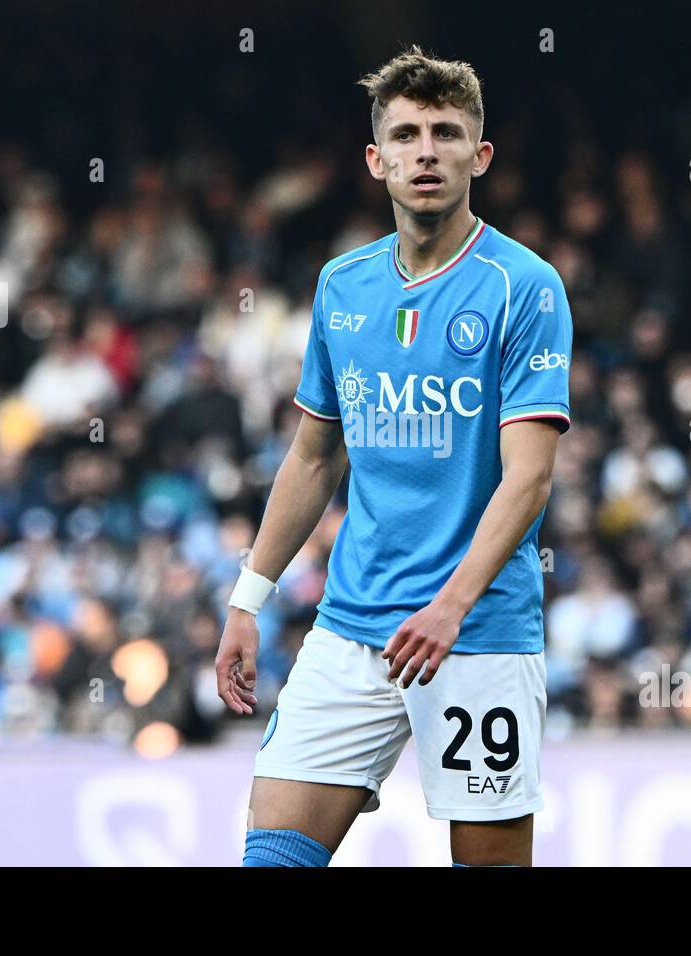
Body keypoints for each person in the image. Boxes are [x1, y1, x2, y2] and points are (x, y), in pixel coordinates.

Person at [215, 45, 572, 867]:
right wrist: (247, 600)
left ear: (479, 156)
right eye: (406, 135)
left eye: (446, 134)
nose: (426, 151)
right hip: (352, 626)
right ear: (376, 161)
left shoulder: (525, 286)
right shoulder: (343, 284)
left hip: (477, 635)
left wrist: (451, 606)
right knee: (271, 860)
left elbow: (529, 478)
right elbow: (313, 456)